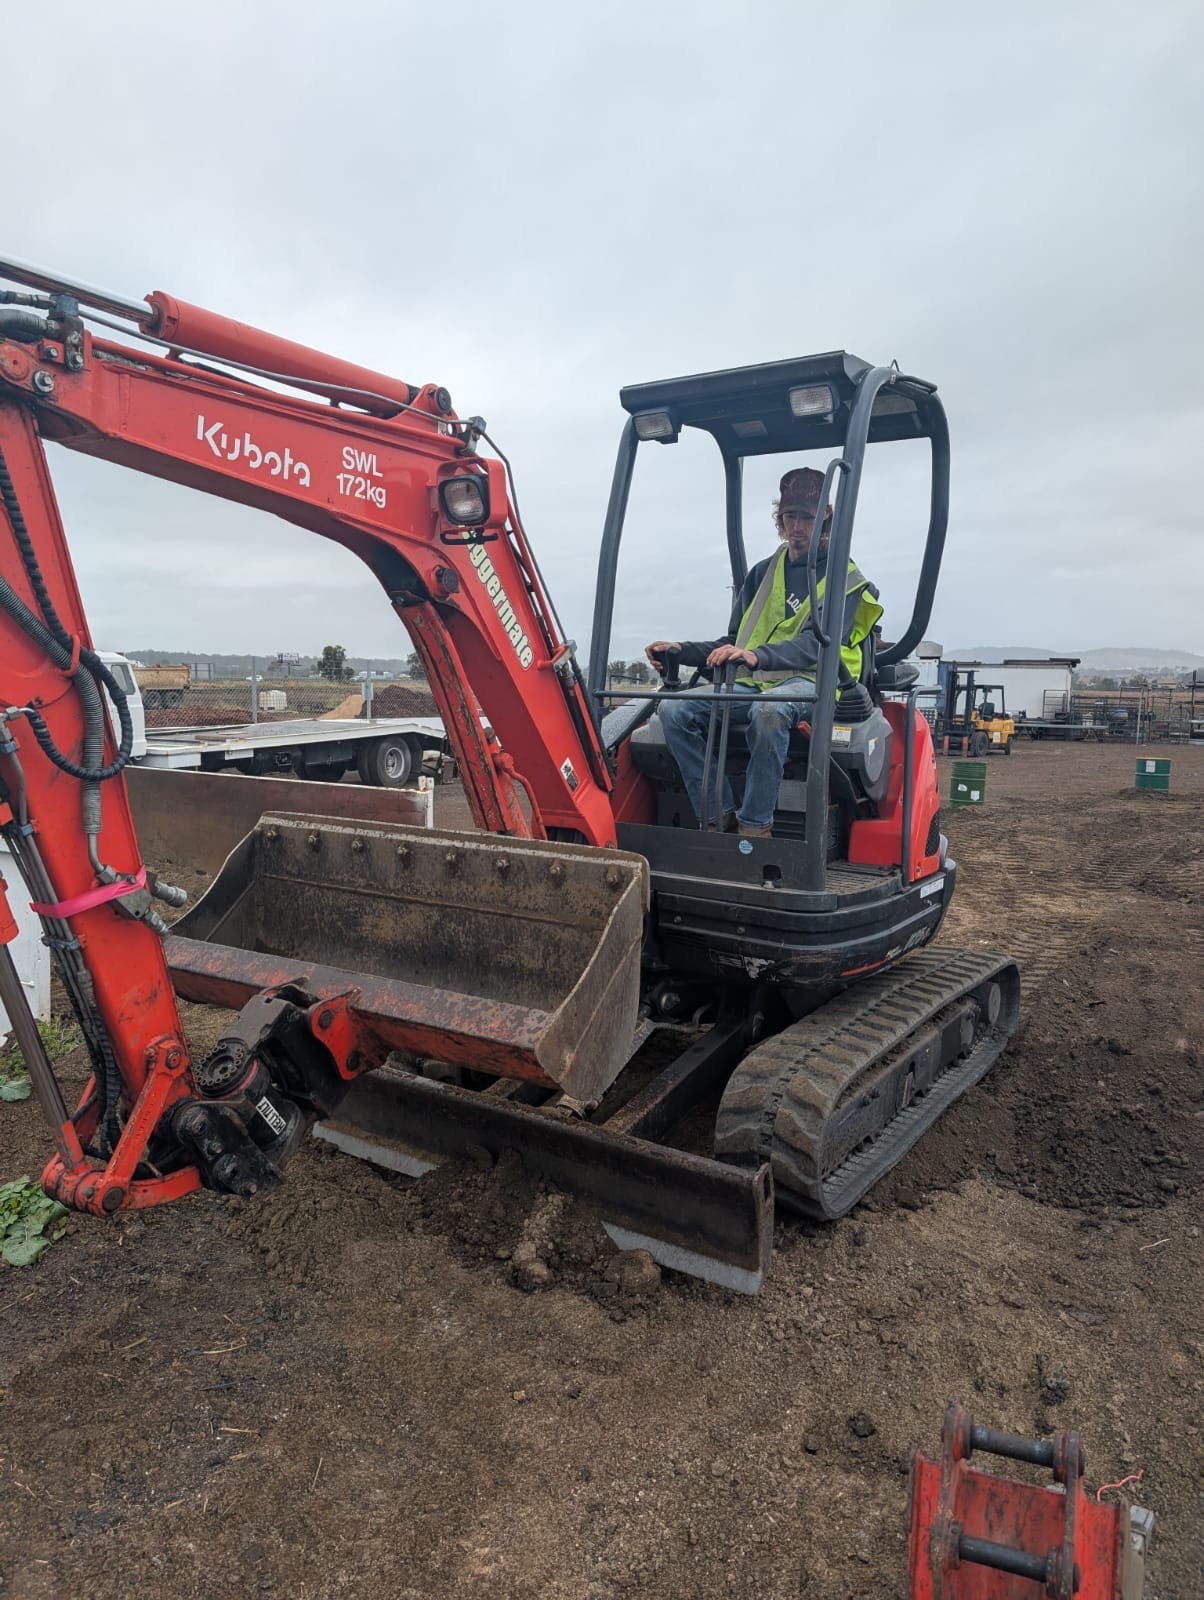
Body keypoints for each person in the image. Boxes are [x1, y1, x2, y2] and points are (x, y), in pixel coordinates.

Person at [645, 467, 882, 837]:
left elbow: (816, 646)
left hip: (814, 685)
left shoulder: (845, 580)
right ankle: (717, 814)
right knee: (673, 710)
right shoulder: (761, 574)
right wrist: (682, 650)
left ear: (826, 519)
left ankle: (755, 828)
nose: (798, 526)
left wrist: (757, 657)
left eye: (807, 517)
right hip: (755, 684)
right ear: (780, 519)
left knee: (769, 711)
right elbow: (733, 641)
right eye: (791, 516)